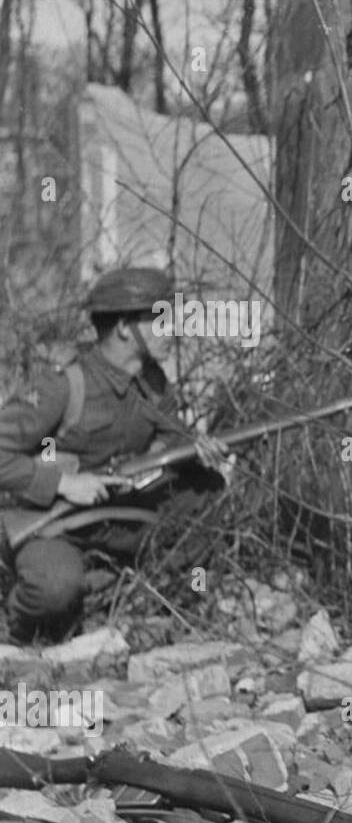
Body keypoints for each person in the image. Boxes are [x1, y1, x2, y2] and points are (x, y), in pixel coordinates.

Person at [0, 266, 227, 643]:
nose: (174, 329)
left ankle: (156, 600)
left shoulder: (154, 384)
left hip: (120, 520)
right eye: (161, 319)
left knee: (208, 492)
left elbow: (173, 442)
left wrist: (198, 448)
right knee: (53, 590)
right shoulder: (63, 386)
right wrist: (64, 483)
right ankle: (13, 629)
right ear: (124, 327)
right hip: (54, 527)